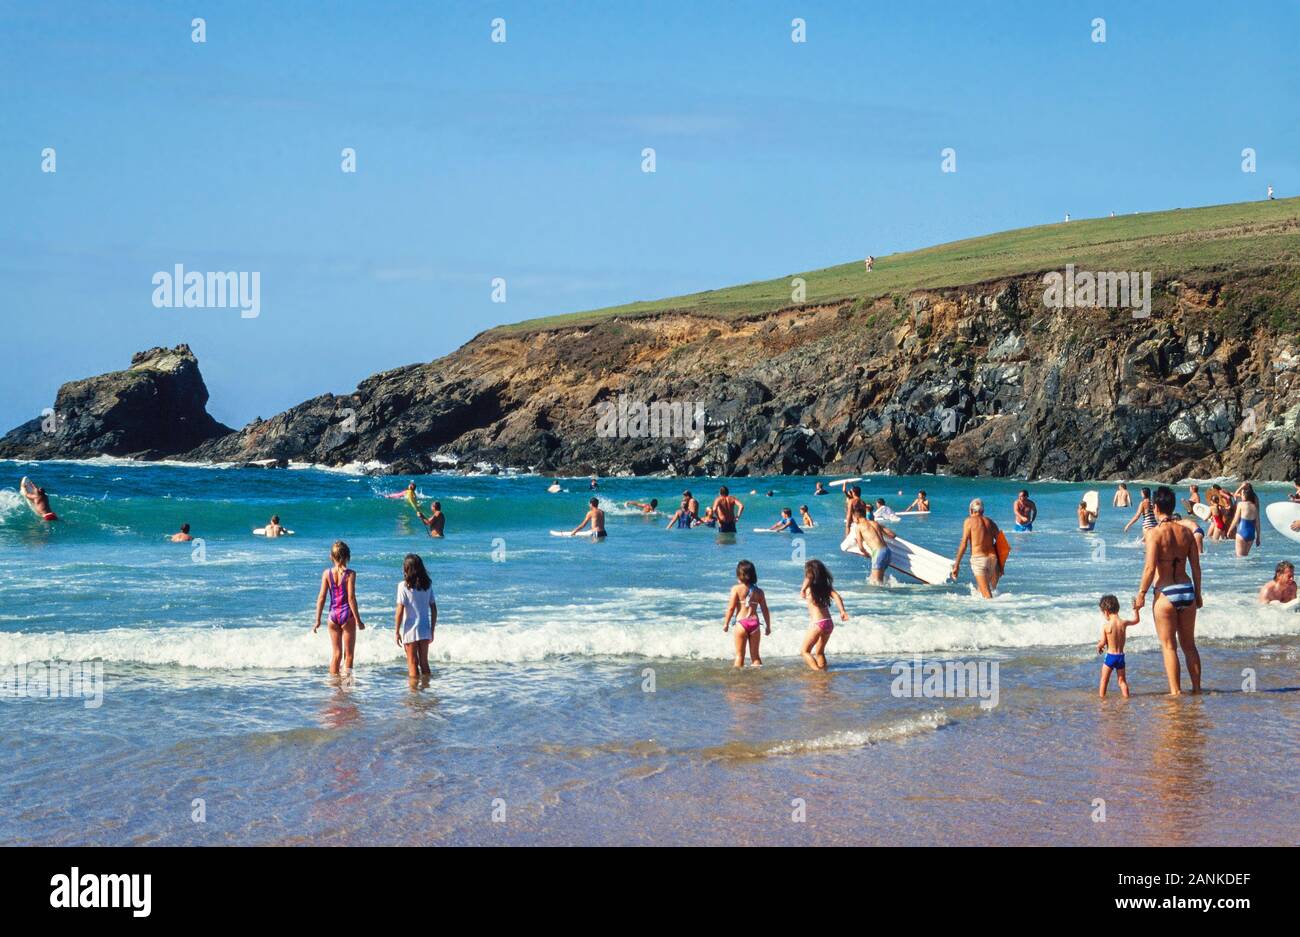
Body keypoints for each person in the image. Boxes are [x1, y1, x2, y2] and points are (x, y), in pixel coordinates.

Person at [1134, 486, 1201, 696]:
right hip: (1186, 590)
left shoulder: (1154, 534)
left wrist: (1141, 594)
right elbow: (1196, 568)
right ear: (1172, 507)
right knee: (1189, 645)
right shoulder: (1187, 532)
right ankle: (1197, 690)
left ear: (1155, 507)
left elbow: (1149, 568)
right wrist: (1198, 593)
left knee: (1169, 646)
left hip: (1165, 592)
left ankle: (1176, 692)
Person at [314, 540, 365, 676]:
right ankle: (346, 688)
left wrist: (317, 620)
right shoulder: (350, 574)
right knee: (348, 655)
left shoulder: (326, 573)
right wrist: (359, 621)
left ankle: (334, 685)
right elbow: (351, 598)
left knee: (336, 654)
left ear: (331, 556)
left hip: (332, 616)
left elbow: (321, 597)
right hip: (347, 616)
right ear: (348, 557)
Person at [799, 559, 848, 671]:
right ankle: (824, 672)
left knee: (804, 651)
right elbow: (837, 596)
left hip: (817, 624)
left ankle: (818, 673)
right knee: (819, 652)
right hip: (828, 623)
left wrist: (802, 589)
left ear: (810, 574)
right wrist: (842, 611)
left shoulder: (809, 587)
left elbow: (807, 578)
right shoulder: (825, 587)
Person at [394, 553, 437, 680]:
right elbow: (434, 609)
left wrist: (396, 631)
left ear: (407, 569)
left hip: (411, 629)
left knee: (412, 663)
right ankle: (426, 689)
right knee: (424, 663)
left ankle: (414, 696)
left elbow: (400, 610)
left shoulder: (403, 586)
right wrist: (432, 629)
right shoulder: (427, 585)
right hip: (424, 628)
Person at [722, 560, 770, 668]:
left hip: (741, 624)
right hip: (754, 624)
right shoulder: (759, 591)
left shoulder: (736, 589)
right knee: (756, 656)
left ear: (740, 575)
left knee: (739, 656)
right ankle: (758, 679)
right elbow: (765, 610)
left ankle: (738, 680)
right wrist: (768, 626)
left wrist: (726, 624)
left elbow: (731, 608)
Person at [952, 498, 1003, 598]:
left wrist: (956, 565)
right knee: (980, 591)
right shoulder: (991, 522)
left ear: (971, 510)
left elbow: (963, 544)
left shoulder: (969, 521)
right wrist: (1001, 567)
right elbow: (1002, 544)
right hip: (993, 560)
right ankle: (981, 612)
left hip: (979, 560)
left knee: (987, 596)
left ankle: (997, 613)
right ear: (983, 511)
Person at [1096, 595, 1139, 699]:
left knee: (1104, 680)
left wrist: (1099, 646)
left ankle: (1102, 699)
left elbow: (1102, 642)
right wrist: (1136, 610)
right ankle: (1126, 698)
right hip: (1120, 657)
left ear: (1106, 611)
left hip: (1110, 657)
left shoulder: (1106, 626)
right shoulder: (1123, 623)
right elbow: (1136, 620)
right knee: (1122, 681)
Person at [849, 500, 896, 585]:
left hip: (878, 553)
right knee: (873, 579)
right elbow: (892, 535)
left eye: (853, 518)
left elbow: (860, 547)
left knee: (877, 583)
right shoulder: (875, 523)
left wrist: (866, 554)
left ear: (856, 517)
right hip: (887, 552)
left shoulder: (859, 527)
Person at [1226, 482, 1261, 556]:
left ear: (1244, 495)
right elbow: (1258, 523)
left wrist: (1229, 530)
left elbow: (1235, 519)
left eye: (1242, 494)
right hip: (1251, 534)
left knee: (1239, 559)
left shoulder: (1241, 504)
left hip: (1242, 532)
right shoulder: (1254, 507)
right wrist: (1258, 537)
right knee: (1245, 557)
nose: (1241, 496)